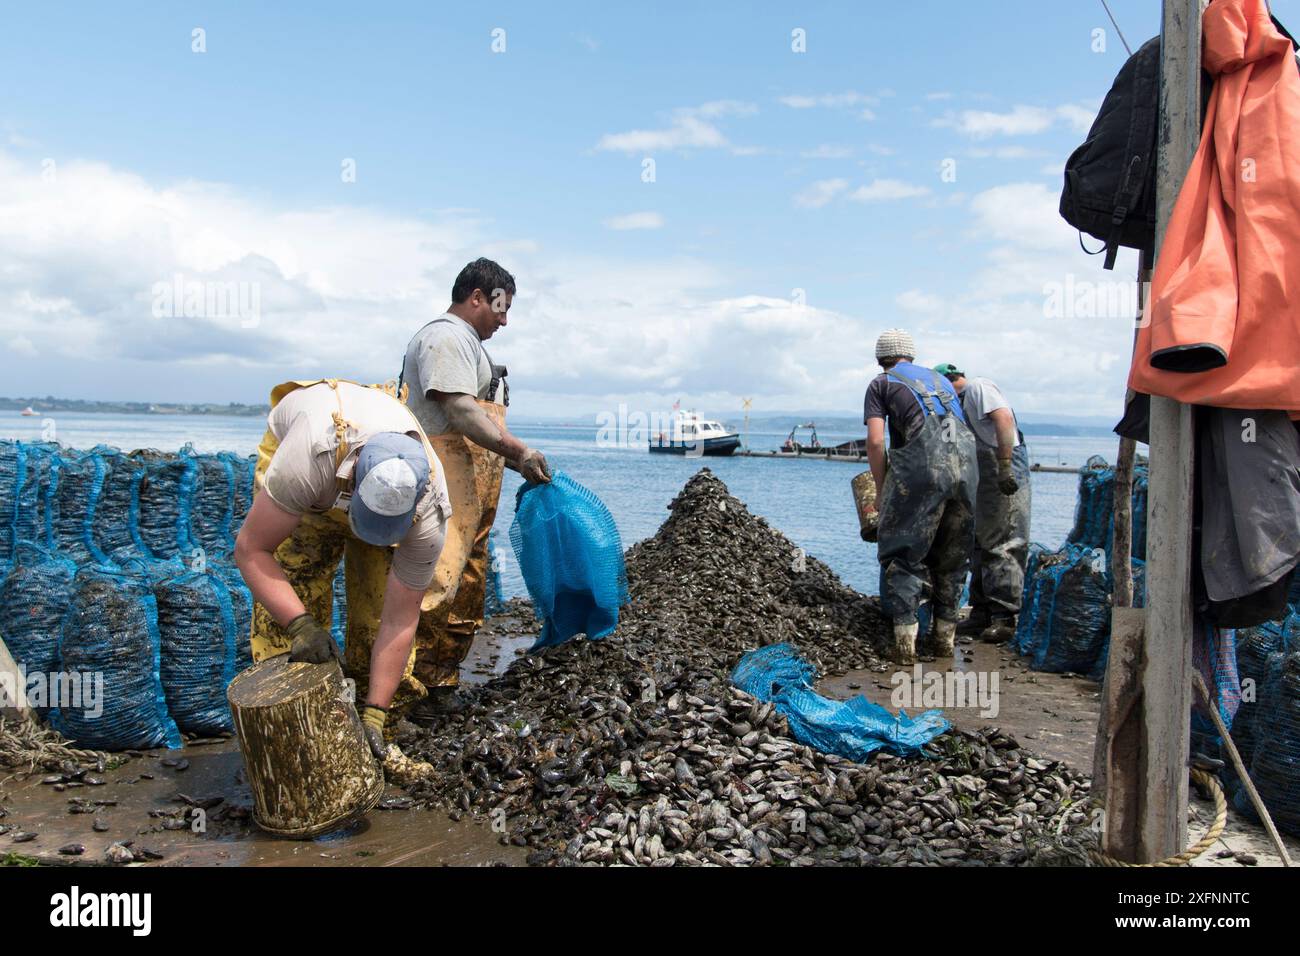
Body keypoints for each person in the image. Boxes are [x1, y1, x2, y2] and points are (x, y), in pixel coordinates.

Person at [236, 378, 451, 765]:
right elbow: (252, 550)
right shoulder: (305, 459)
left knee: (375, 610)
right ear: (353, 477)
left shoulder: (430, 511)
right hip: (317, 468)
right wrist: (300, 625)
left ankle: (375, 728)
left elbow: (400, 618)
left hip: (368, 481)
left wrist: (376, 713)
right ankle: (290, 737)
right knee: (295, 590)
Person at [400, 258, 551, 721]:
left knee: (464, 581)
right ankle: (405, 693)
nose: (504, 321)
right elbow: (462, 413)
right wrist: (520, 451)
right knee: (434, 583)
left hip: (473, 496)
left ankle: (439, 684)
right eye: (500, 308)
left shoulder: (470, 346)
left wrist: (506, 455)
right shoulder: (446, 337)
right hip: (444, 488)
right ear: (477, 296)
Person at [864, 329, 977, 664]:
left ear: (879, 358)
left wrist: (883, 489)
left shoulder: (881, 384)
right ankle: (944, 643)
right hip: (967, 470)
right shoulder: (940, 381)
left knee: (903, 553)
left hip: (923, 471)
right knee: (953, 556)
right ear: (911, 355)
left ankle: (905, 648)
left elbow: (874, 442)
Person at [934, 363, 1032, 643]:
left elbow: (1003, 419)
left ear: (951, 380)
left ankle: (1004, 618)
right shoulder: (957, 406)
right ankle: (981, 614)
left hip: (1003, 465)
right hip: (982, 471)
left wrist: (1004, 466)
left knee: (1003, 539)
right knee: (978, 541)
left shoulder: (978, 387)